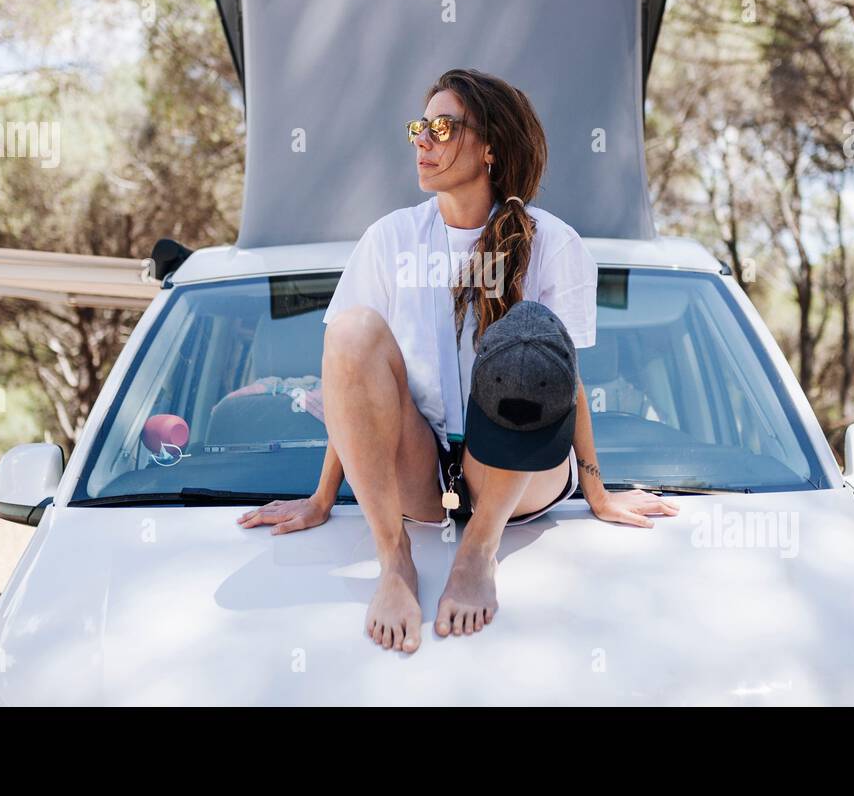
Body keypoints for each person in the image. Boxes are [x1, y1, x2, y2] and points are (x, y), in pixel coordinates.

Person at [237, 67, 677, 653]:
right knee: (350, 331)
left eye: (442, 127)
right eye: (420, 126)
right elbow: (352, 383)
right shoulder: (390, 240)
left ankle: (478, 553)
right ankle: (394, 562)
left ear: (490, 146)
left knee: (530, 338)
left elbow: (564, 382)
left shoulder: (554, 243)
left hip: (521, 473)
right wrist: (322, 500)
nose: (423, 139)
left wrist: (596, 490)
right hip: (422, 470)